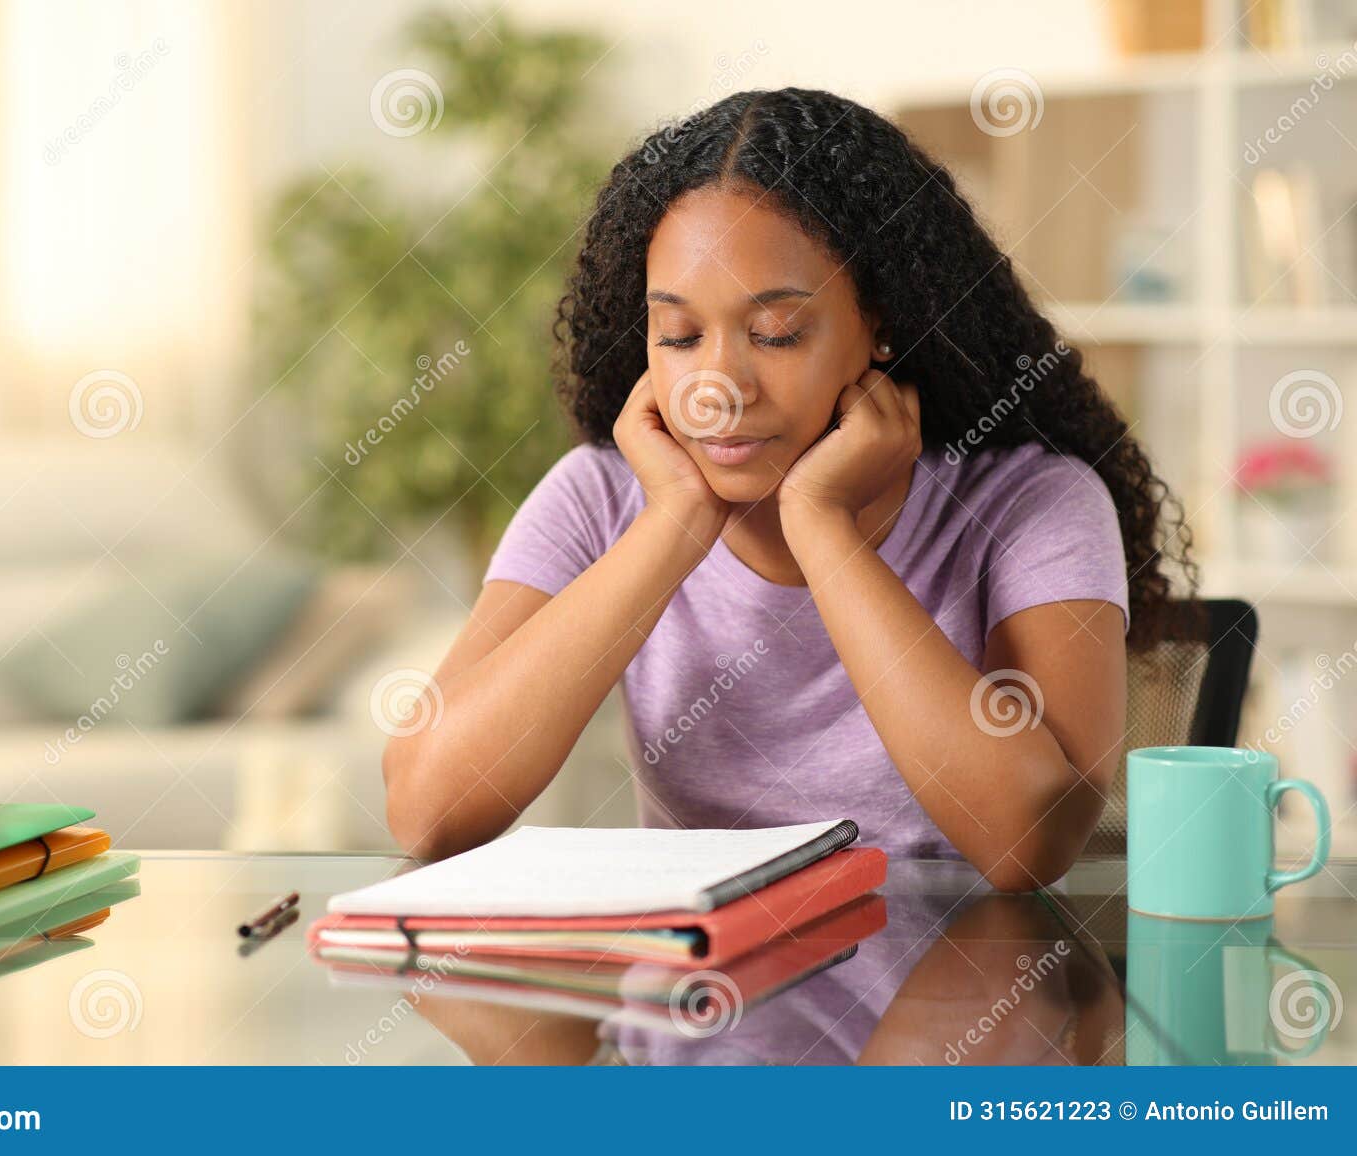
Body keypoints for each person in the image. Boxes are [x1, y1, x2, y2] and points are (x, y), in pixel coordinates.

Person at [383, 88, 1195, 889]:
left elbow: (1027, 841)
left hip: (964, 999)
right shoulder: (601, 497)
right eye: (679, 335)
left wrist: (822, 526)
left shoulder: (1034, 503)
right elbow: (426, 809)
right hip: (699, 1005)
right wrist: (674, 524)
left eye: (775, 332)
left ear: (880, 323)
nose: (717, 387)